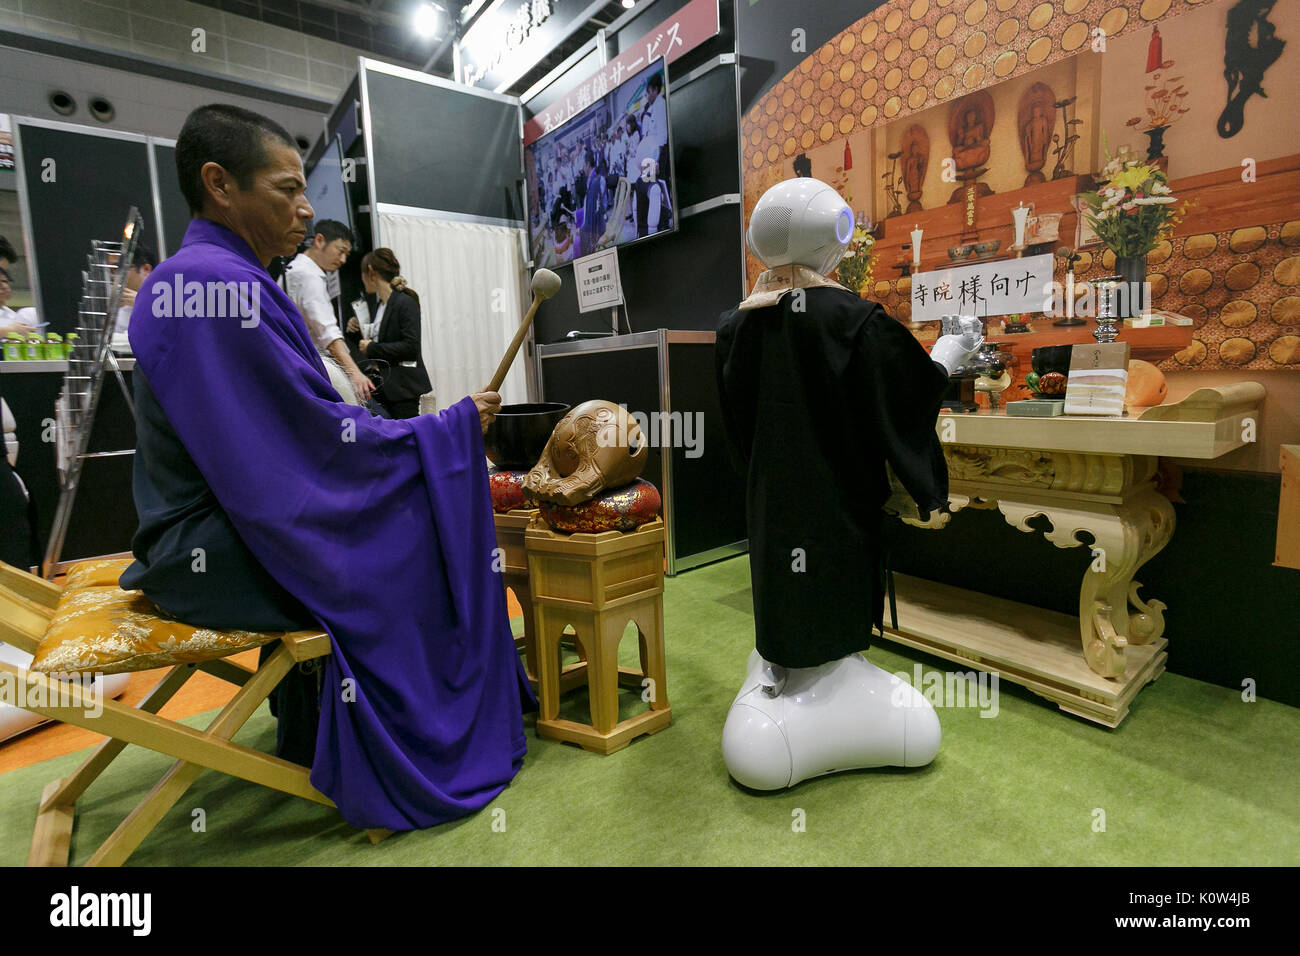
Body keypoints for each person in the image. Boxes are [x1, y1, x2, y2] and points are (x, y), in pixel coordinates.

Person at [120, 103, 532, 830]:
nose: (306, 210)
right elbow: (304, 450)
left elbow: (296, 435)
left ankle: (329, 724)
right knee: (415, 541)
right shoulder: (219, 289)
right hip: (208, 552)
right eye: (285, 189)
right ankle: (429, 741)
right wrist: (449, 429)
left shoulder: (209, 278)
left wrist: (423, 436)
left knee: (407, 512)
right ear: (219, 183)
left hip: (193, 538)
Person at [715, 177, 983, 790]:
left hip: (771, 502)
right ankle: (830, 676)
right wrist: (944, 357)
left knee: (782, 578)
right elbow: (904, 393)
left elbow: (738, 429)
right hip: (836, 499)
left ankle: (783, 662)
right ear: (836, 235)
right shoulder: (854, 319)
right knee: (833, 579)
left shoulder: (735, 328)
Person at [282, 220, 372, 405]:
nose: (343, 259)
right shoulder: (308, 276)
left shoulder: (296, 270)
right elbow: (327, 333)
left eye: (346, 254)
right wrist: (354, 374)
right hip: (313, 366)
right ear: (319, 240)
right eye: (340, 251)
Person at [348, 248, 432, 419]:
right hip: (384, 386)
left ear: (371, 271)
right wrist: (354, 329)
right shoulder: (379, 306)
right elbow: (378, 338)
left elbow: (411, 347)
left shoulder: (405, 302)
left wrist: (372, 348)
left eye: (363, 273)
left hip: (403, 388)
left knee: (405, 437)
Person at [112, 244, 157, 344]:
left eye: (116, 270)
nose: (112, 277)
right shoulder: (117, 311)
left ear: (146, 269)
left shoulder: (172, 300)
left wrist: (144, 305)